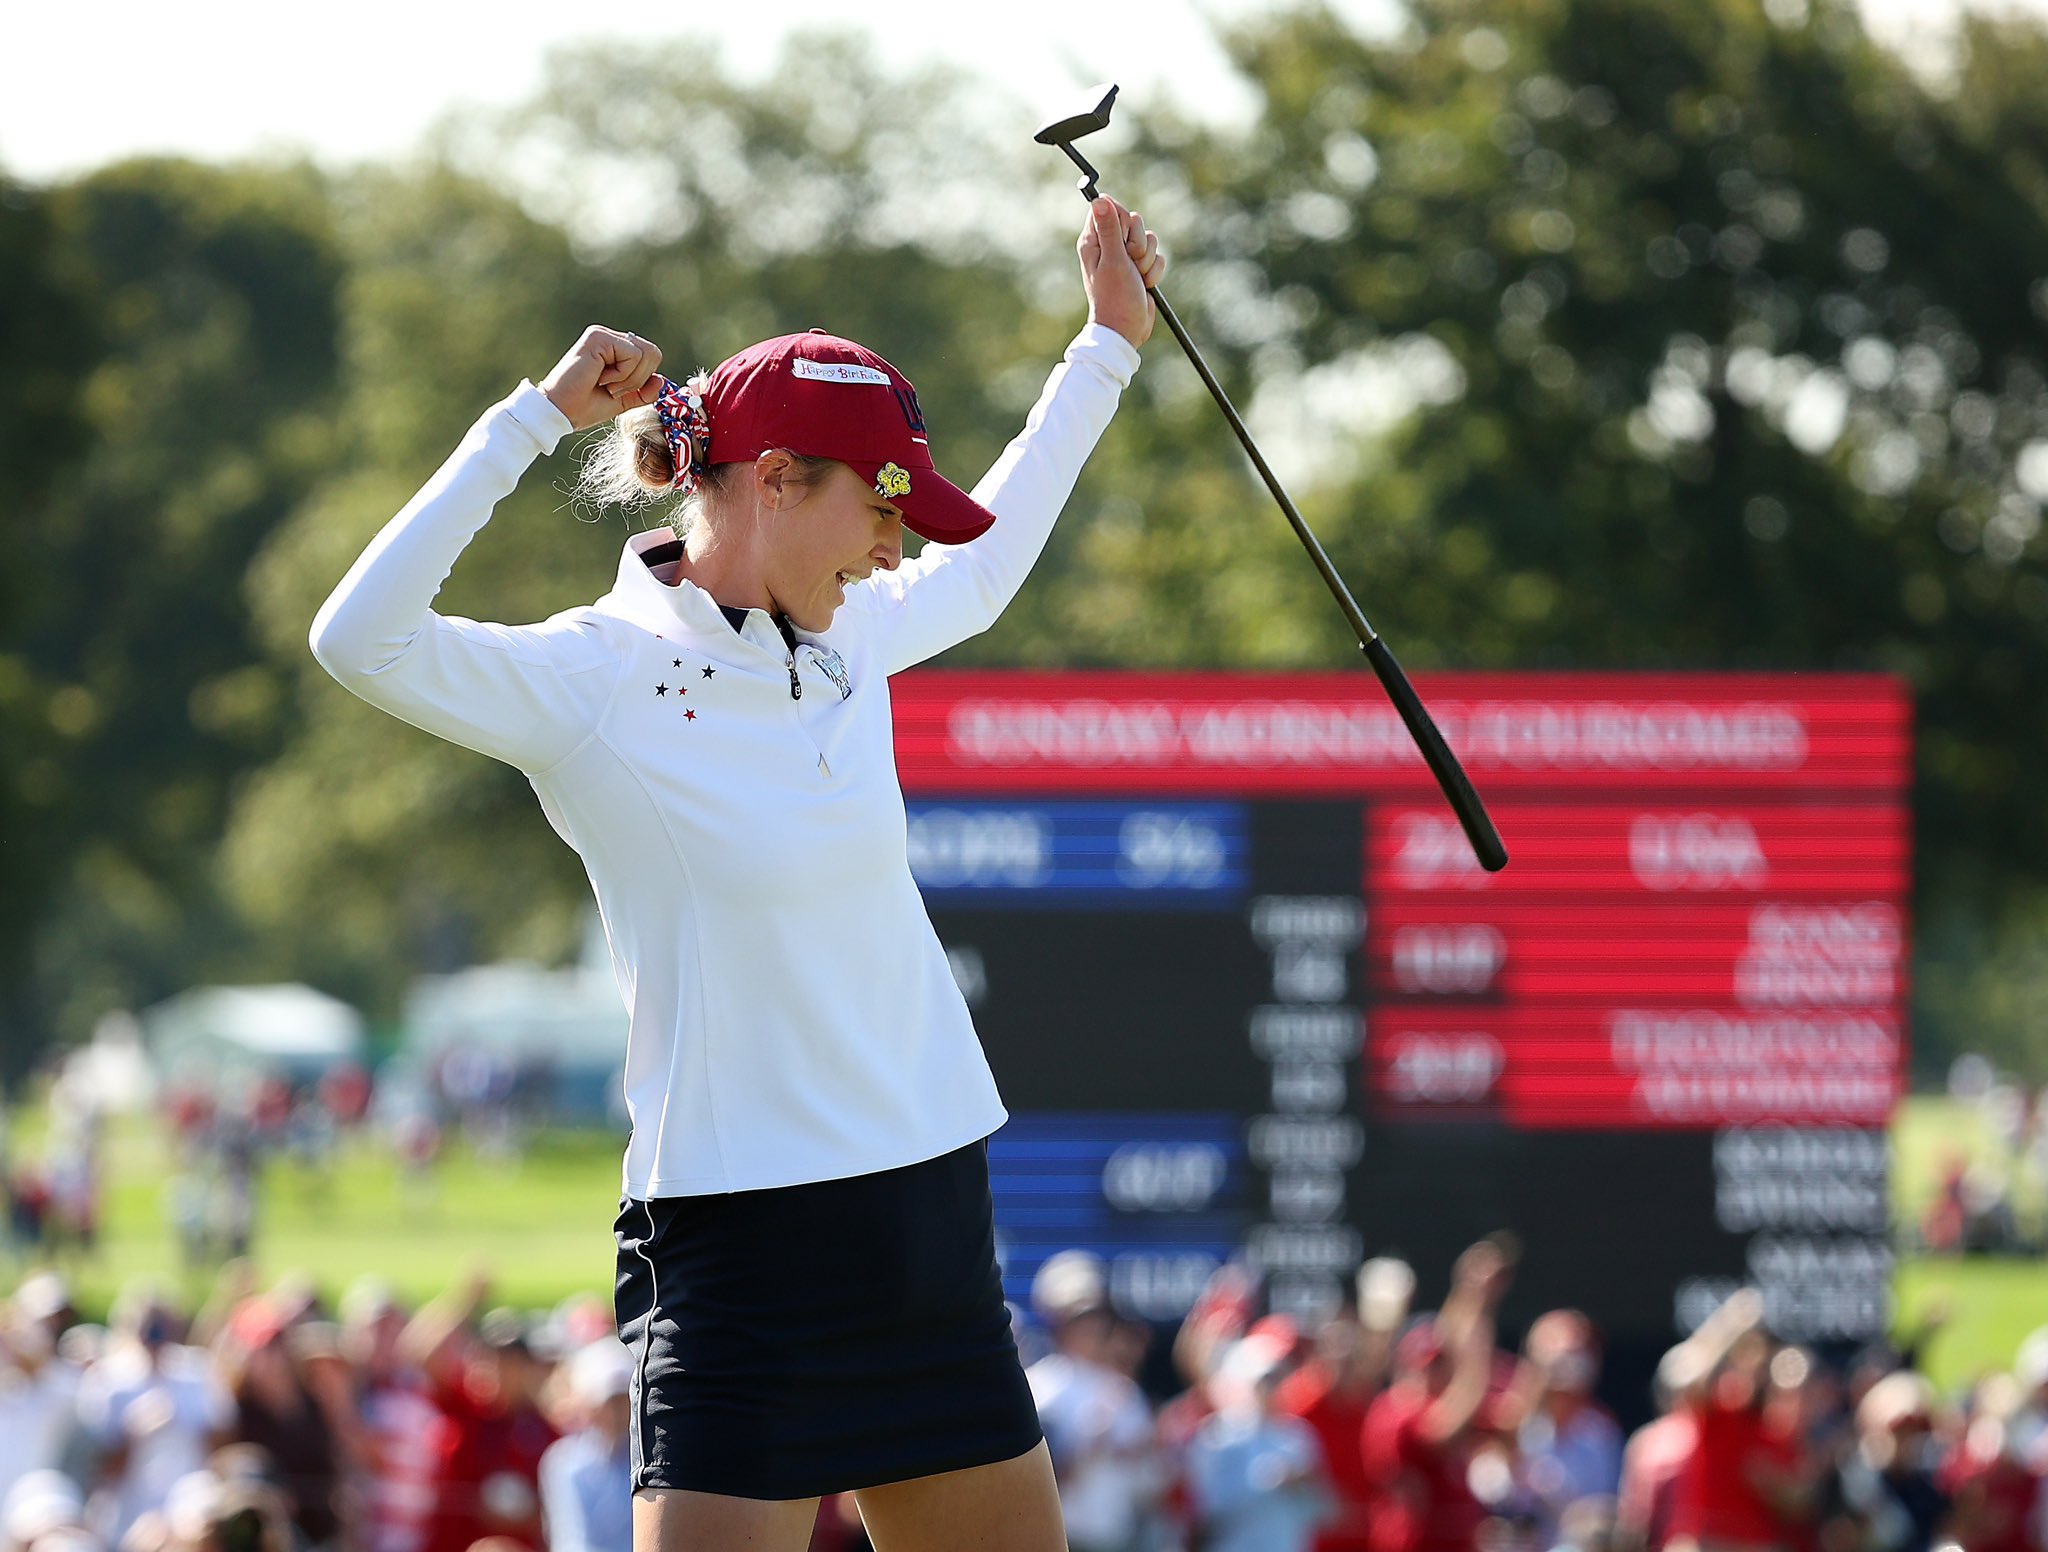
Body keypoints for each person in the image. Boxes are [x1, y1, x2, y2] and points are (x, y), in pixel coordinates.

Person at [309, 193, 1164, 1552]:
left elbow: (987, 569)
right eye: (880, 512)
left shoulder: (851, 637)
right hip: (734, 1244)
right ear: (773, 481)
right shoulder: (589, 677)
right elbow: (361, 641)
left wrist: (1105, 345)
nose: (897, 550)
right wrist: (531, 421)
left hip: (925, 1207)